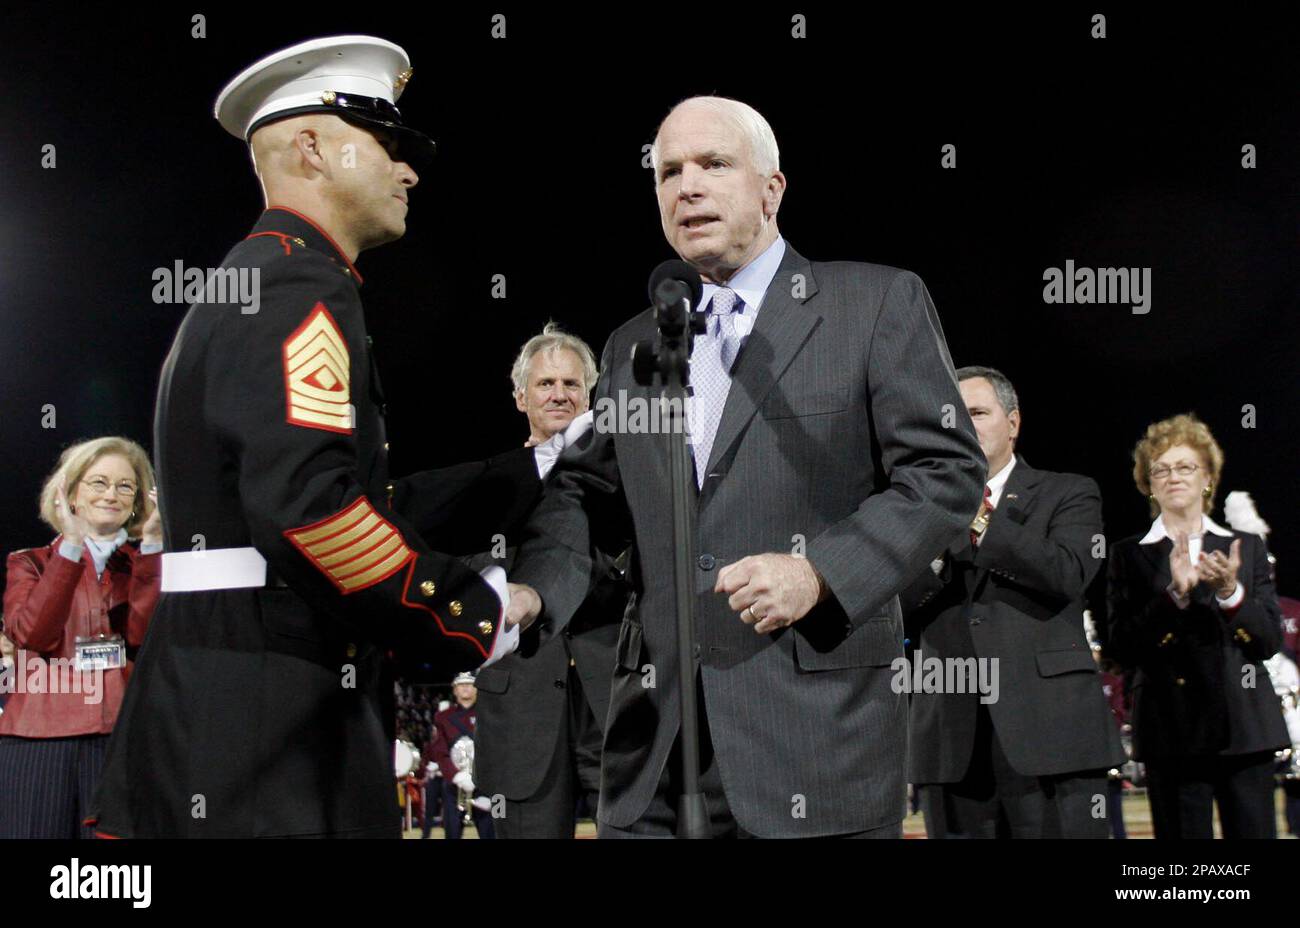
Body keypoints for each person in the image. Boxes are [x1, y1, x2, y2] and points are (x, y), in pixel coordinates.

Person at [505, 96, 986, 838]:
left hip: (813, 740)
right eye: (667, 172)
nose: (685, 186)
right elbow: (585, 494)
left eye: (712, 164)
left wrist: (821, 571)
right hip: (653, 750)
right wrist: (534, 592)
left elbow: (945, 471)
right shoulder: (635, 344)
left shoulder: (874, 302)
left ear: (773, 189)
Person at [89, 36, 520, 839]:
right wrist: (467, 610)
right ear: (315, 147)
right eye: (389, 145)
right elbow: (312, 513)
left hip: (213, 700)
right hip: (271, 723)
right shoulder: (299, 280)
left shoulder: (248, 275)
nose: (409, 171)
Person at [400, 324, 626, 837]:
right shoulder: (485, 486)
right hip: (521, 702)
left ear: (589, 395)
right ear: (520, 395)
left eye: (572, 384)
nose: (559, 394)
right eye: (546, 384)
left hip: (613, 692)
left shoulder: (627, 476)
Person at [902, 367, 1124, 838]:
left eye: (978, 413)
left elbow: (1068, 572)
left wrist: (978, 520)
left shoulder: (1069, 492)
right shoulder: (915, 511)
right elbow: (894, 606)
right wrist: (937, 549)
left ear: (1014, 423)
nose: (963, 425)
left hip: (1053, 734)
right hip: (950, 736)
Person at [1105, 413, 1288, 838]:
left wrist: (1230, 593)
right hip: (1170, 732)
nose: (1173, 477)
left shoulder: (1246, 548)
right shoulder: (1128, 555)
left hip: (1244, 729)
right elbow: (1119, 649)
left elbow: (1267, 641)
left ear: (1207, 478)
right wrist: (1175, 597)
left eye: (1185, 466)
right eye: (1161, 469)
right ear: (1148, 484)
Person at [0, 437, 161, 838]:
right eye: (98, 482)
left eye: (126, 486)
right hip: (39, 738)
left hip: (118, 739)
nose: (112, 494)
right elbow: (34, 634)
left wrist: (155, 543)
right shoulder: (30, 562)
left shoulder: (144, 564)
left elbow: (147, 641)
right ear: (69, 494)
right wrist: (71, 546)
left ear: (139, 500)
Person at [429, 673, 494, 839]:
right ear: (455, 690)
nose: (465, 687)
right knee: (452, 832)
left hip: (487, 785)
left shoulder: (491, 713)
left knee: (493, 832)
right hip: (455, 785)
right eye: (461, 684)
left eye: (469, 684)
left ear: (477, 688)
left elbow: (498, 749)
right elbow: (440, 751)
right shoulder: (442, 717)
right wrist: (456, 775)